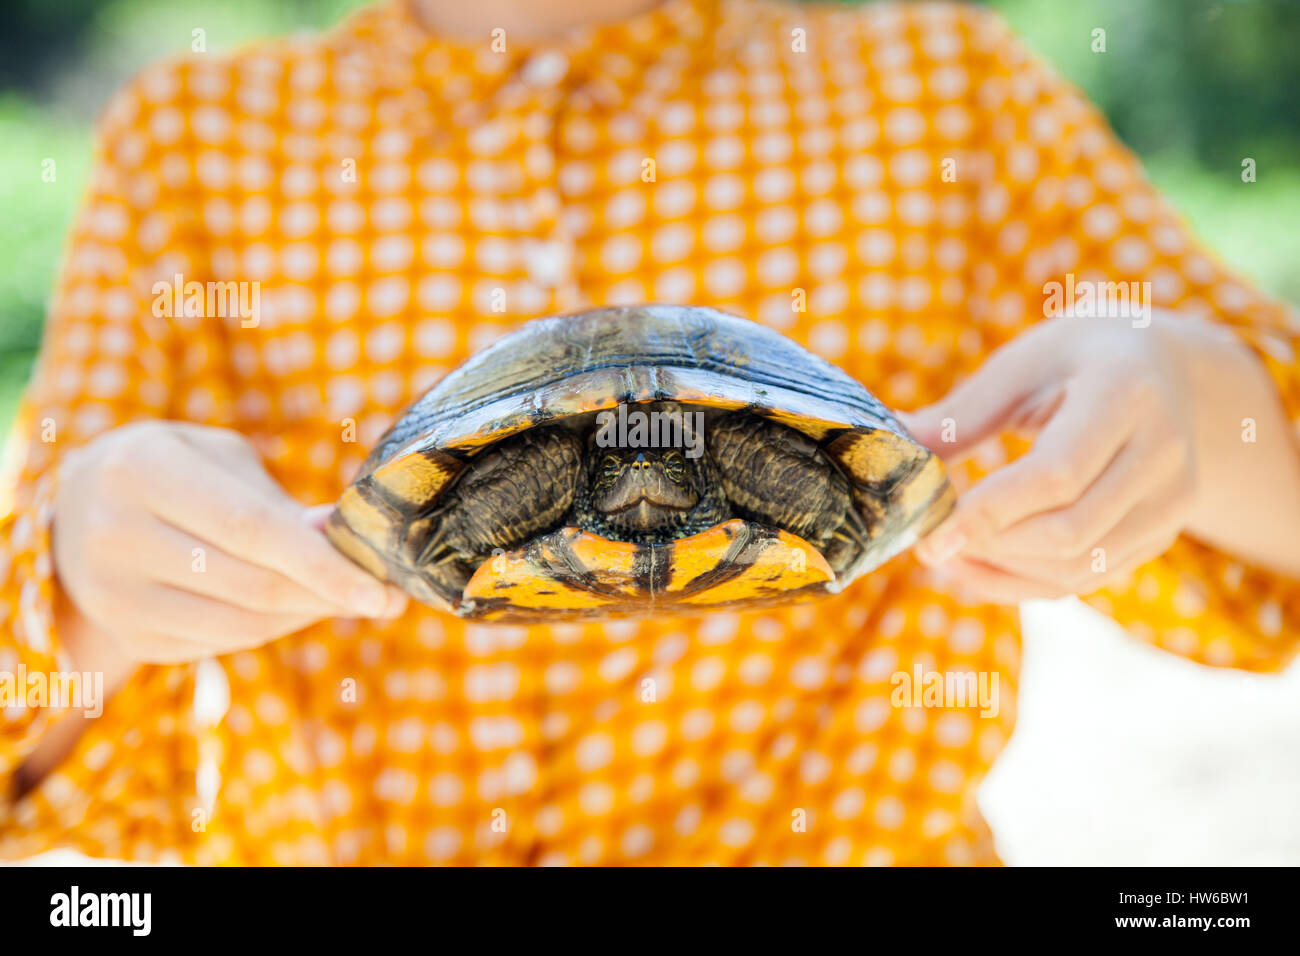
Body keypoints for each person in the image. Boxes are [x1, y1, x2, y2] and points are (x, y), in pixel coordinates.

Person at [1, 0, 1297, 865]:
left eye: (666, 448)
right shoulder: (192, 145)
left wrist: (1190, 398)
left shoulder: (946, 93)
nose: (642, 462)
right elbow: (32, 742)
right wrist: (86, 582)